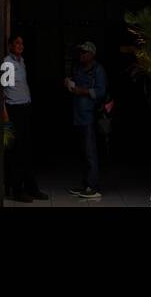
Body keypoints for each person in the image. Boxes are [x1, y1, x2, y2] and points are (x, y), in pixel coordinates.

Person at [0, 33, 49, 203]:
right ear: (10, 45)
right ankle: (17, 191)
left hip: (25, 109)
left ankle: (31, 188)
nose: (20, 46)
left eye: (22, 43)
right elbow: (2, 90)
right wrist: (4, 113)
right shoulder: (8, 63)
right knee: (16, 153)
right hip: (14, 111)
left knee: (26, 151)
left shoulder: (21, 62)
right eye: (17, 43)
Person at [65, 40, 107, 199]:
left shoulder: (98, 70)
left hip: (90, 116)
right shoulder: (78, 68)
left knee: (90, 152)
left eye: (84, 52)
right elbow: (74, 87)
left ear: (92, 54)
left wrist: (80, 90)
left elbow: (101, 91)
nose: (81, 55)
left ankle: (93, 186)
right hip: (78, 116)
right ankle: (86, 184)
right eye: (80, 52)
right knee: (83, 152)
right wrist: (69, 84)